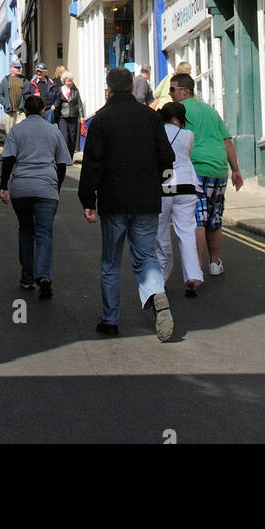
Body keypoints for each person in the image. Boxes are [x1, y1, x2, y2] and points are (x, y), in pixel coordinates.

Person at [78, 66, 176, 341]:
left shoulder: (102, 120)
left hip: (113, 200)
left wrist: (88, 199)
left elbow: (92, 165)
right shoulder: (151, 118)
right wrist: (159, 184)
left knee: (110, 262)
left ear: (108, 88)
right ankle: (157, 294)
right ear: (132, 88)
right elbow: (166, 157)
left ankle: (110, 320)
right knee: (145, 256)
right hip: (146, 199)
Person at [168, 68, 243, 277]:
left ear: (184, 91)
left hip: (196, 168)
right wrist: (235, 170)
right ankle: (215, 262)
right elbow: (226, 141)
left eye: (173, 90)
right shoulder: (210, 111)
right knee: (215, 218)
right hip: (219, 169)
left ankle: (196, 267)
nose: (171, 94)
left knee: (198, 219)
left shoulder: (178, 110)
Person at [0, 94, 72, 298]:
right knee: (44, 233)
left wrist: (3, 186)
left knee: (25, 230)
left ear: (24, 111)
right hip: (46, 187)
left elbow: (8, 160)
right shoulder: (53, 131)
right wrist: (55, 188)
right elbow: (61, 164)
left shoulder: (17, 130)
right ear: (43, 110)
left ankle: (27, 276)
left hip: (21, 187)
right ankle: (44, 276)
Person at [156, 102, 205, 297]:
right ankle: (193, 276)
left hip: (166, 181)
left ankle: (160, 277)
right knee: (186, 233)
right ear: (180, 118)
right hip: (187, 184)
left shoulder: (157, 133)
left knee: (160, 233)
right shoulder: (188, 135)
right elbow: (185, 156)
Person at [57, 70, 83, 157]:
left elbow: (79, 103)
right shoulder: (60, 90)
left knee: (72, 136)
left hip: (73, 115)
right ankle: (65, 156)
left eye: (71, 81)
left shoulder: (75, 91)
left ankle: (71, 155)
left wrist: (82, 116)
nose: (70, 83)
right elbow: (57, 102)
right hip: (63, 116)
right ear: (64, 81)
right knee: (65, 136)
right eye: (68, 81)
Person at [4, 59, 27, 125]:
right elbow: (0, 93)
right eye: (16, 67)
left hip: (21, 111)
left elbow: (28, 93)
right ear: (11, 68)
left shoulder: (24, 80)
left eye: (19, 67)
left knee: (21, 131)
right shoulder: (5, 80)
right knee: (10, 132)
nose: (18, 69)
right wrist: (5, 103)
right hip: (10, 111)